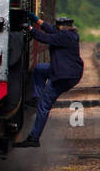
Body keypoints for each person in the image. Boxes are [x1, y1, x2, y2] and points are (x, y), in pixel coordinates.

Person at [15, 14, 84, 147]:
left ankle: (34, 138)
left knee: (44, 106)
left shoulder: (63, 36)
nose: (55, 28)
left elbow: (44, 37)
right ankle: (36, 96)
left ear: (61, 27)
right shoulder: (68, 34)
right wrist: (35, 19)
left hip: (63, 76)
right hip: (68, 71)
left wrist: (29, 28)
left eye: (57, 26)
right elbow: (49, 28)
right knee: (40, 69)